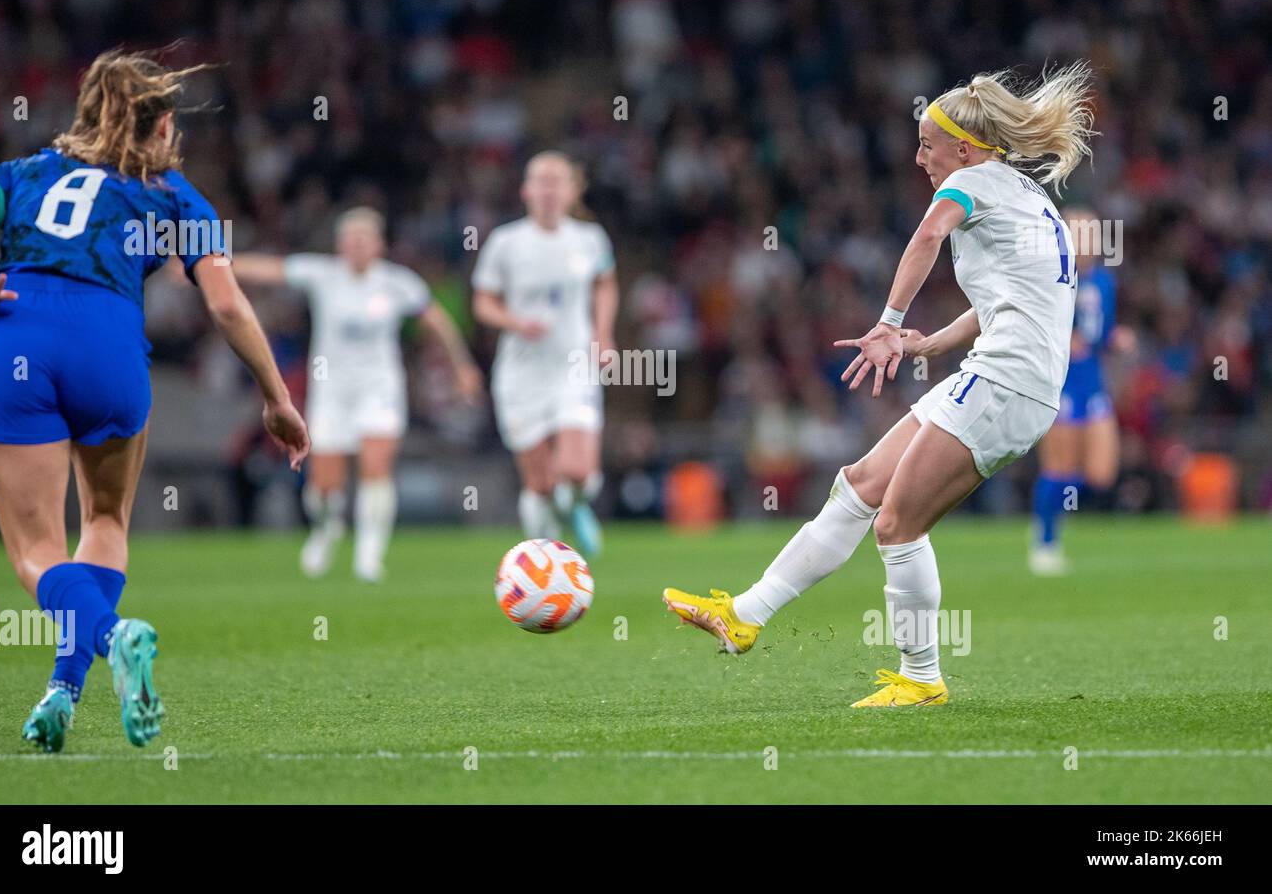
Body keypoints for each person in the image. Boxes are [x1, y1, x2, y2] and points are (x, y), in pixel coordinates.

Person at [663, 65, 1096, 707]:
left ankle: (921, 678)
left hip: (1006, 383)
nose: (920, 157)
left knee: (897, 523)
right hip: (1004, 376)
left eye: (927, 144)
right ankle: (746, 613)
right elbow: (1009, 301)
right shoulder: (1030, 199)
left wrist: (889, 324)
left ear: (965, 149)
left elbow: (927, 235)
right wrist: (931, 342)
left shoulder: (971, 184)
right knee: (861, 484)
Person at [0, 49, 309, 753]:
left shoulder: (28, 172)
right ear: (160, 128)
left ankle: (107, 639)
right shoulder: (173, 193)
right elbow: (226, 304)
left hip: (15, 329)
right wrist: (276, 399)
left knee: (37, 548)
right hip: (108, 341)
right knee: (104, 517)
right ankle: (65, 689)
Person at [229, 207, 483, 581]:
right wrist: (209, 266)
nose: (356, 245)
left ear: (379, 244)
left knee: (375, 469)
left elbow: (437, 322)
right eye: (350, 238)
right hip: (332, 391)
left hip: (380, 389)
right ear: (340, 243)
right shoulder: (322, 274)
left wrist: (462, 366)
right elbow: (269, 268)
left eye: (364, 238)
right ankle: (327, 528)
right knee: (324, 485)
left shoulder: (398, 282)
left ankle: (370, 554)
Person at [472, 152, 618, 556]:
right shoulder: (506, 242)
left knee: (576, 470)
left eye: (557, 181)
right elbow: (483, 303)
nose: (549, 189)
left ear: (572, 191)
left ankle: (576, 505)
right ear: (525, 190)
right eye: (541, 181)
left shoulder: (590, 239)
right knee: (540, 484)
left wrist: (603, 334)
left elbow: (606, 284)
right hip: (521, 375)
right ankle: (546, 556)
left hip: (573, 367)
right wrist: (515, 322)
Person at [1030, 206, 1135, 574]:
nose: (1089, 241)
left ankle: (1055, 518)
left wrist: (1115, 338)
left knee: (1102, 473)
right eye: (1081, 234)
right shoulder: (1055, 279)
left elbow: (1100, 332)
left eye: (1093, 234)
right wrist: (1061, 339)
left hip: (1093, 382)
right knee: (1059, 467)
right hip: (1060, 383)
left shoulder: (1105, 282)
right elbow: (1033, 326)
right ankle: (1044, 541)